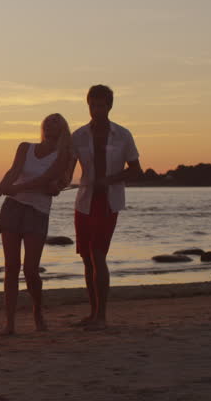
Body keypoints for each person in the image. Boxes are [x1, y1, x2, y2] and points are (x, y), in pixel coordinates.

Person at [0, 113, 74, 334]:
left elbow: (46, 179)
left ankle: (37, 310)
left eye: (56, 120)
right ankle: (9, 323)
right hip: (13, 207)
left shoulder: (63, 155)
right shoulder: (25, 147)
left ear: (63, 129)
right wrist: (2, 186)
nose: (51, 121)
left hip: (37, 211)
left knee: (30, 269)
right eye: (48, 120)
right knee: (11, 267)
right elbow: (14, 171)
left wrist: (14, 188)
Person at [71, 85, 141, 330]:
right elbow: (66, 170)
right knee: (87, 260)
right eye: (92, 105)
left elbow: (135, 170)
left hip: (108, 202)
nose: (96, 110)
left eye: (101, 105)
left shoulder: (123, 135)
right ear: (87, 105)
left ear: (109, 106)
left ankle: (102, 316)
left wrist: (108, 179)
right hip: (83, 202)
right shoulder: (78, 135)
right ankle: (92, 314)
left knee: (98, 256)